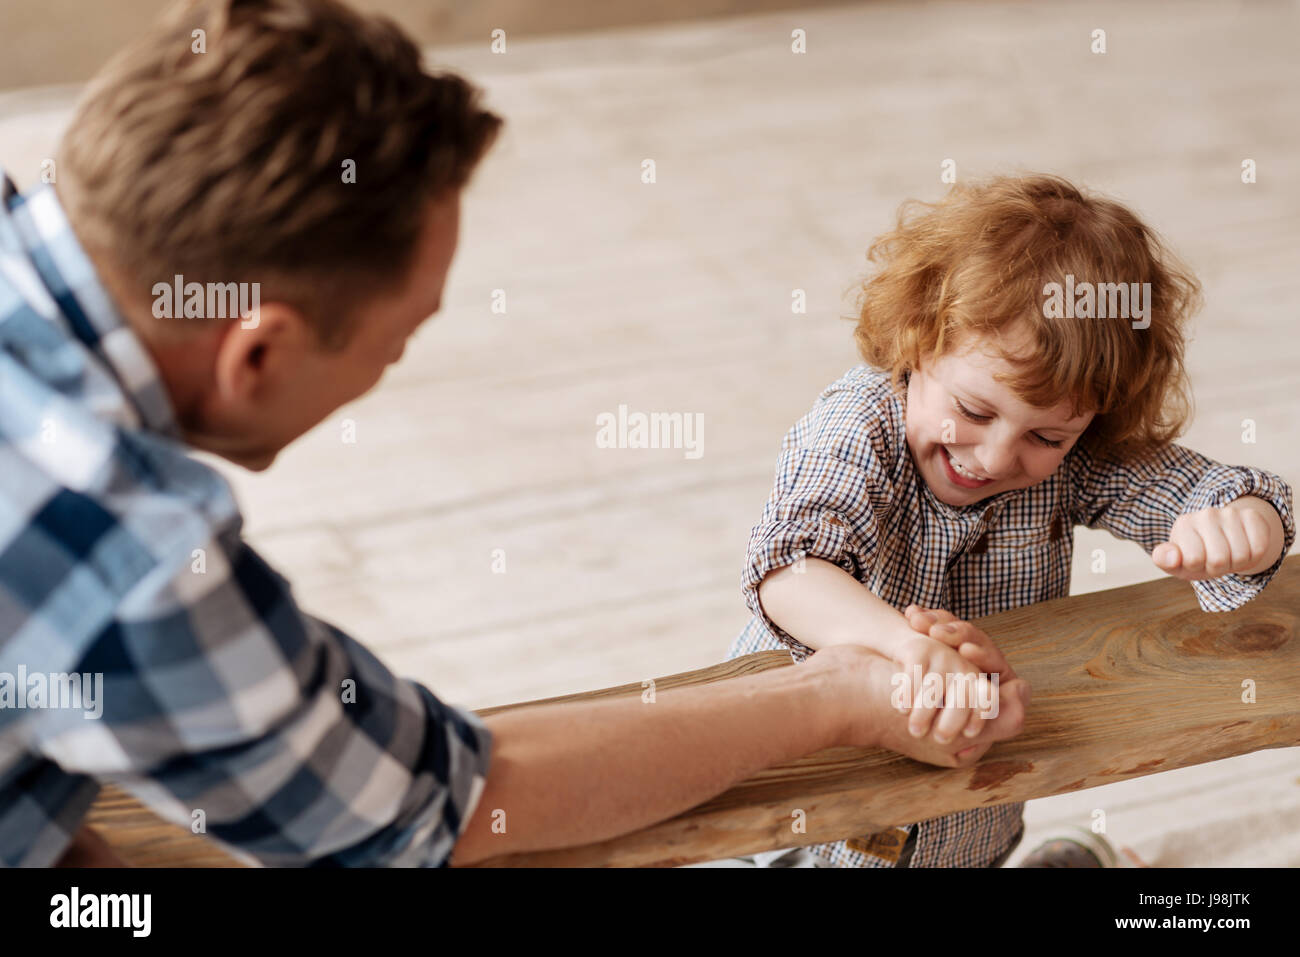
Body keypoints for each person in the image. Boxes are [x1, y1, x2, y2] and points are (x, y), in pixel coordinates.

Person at [0, 0, 1031, 868]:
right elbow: (436, 803)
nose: (392, 364)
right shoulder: (125, 556)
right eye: (398, 339)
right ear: (257, 354)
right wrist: (831, 694)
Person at [724, 172, 1295, 868]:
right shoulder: (854, 430)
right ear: (917, 338)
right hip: (807, 811)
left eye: (1046, 437)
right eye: (973, 410)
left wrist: (1244, 521)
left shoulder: (1074, 459)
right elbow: (790, 569)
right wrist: (903, 646)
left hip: (970, 812)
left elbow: (1194, 487)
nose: (995, 455)